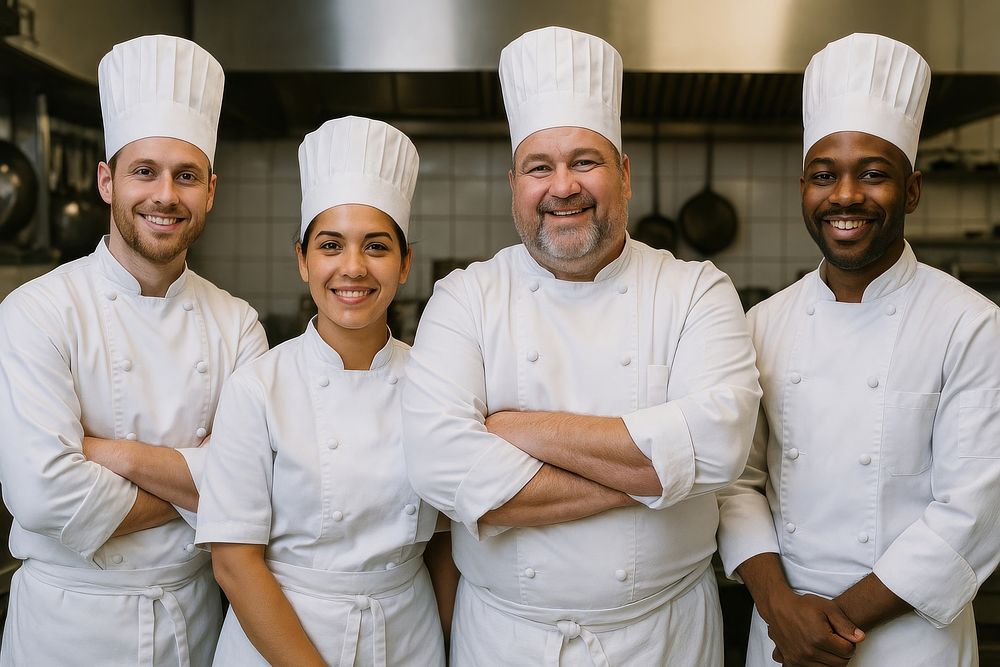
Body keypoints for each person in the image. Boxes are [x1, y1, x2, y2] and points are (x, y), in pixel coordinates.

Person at [402, 26, 761, 666]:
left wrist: (520, 429)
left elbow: (719, 446)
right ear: (514, 183)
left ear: (624, 174)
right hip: (506, 643)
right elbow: (438, 467)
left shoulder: (696, 290)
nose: (562, 186)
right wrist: (661, 474)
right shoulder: (465, 297)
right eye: (539, 167)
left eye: (585, 162)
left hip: (665, 640)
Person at [717, 33, 1000, 667]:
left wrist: (827, 627)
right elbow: (736, 483)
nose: (845, 195)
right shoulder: (762, 323)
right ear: (803, 188)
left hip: (910, 641)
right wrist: (782, 612)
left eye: (873, 174)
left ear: (913, 190)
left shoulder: (971, 325)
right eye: (825, 176)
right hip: (783, 636)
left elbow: (975, 512)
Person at [0, 34, 267, 666]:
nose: (165, 195)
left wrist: (107, 453)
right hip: (65, 631)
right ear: (106, 181)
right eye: (144, 171)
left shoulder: (236, 324)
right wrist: (196, 485)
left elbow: (256, 485)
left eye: (186, 176)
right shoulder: (37, 311)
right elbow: (42, 495)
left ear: (210, 190)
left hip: (192, 626)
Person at [195, 115, 455, 666]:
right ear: (302, 260)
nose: (352, 268)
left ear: (405, 264)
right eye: (331, 245)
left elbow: (444, 543)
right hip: (279, 643)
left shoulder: (438, 385)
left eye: (376, 247)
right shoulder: (258, 388)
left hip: (409, 639)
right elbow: (234, 563)